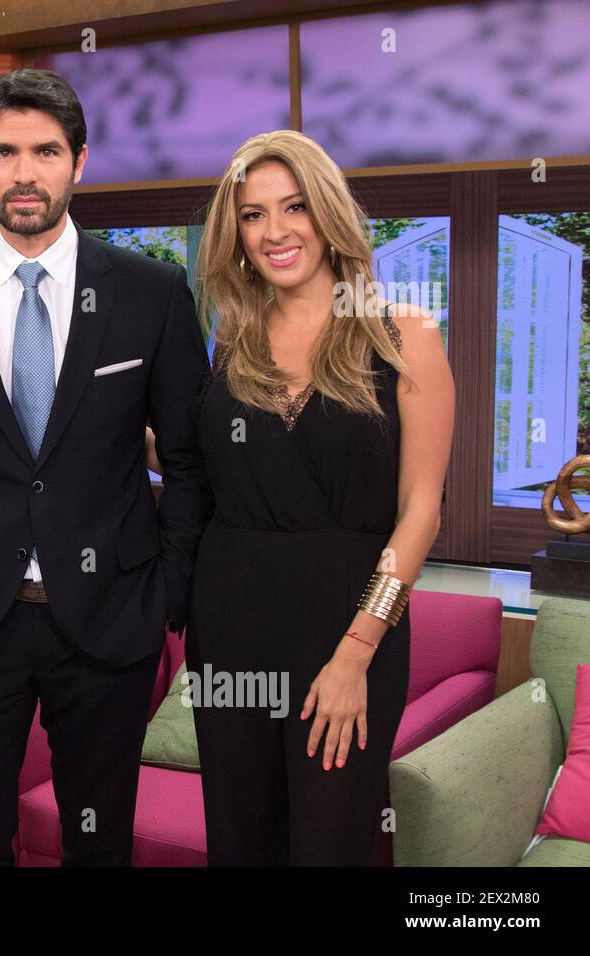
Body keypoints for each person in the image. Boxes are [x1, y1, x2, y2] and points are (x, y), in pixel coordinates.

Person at [0, 69, 213, 865]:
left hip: (110, 618)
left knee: (99, 844)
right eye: (4, 152)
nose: (25, 173)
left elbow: (192, 460)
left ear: (80, 162)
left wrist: (165, 591)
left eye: (46, 152)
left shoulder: (150, 293)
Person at [188, 129, 454, 865]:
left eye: (294, 206)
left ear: (329, 213)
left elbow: (421, 513)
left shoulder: (406, 333)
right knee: (241, 842)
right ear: (236, 235)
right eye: (252, 215)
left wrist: (357, 652)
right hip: (231, 623)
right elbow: (206, 468)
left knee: (332, 842)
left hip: (349, 627)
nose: (275, 231)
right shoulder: (229, 343)